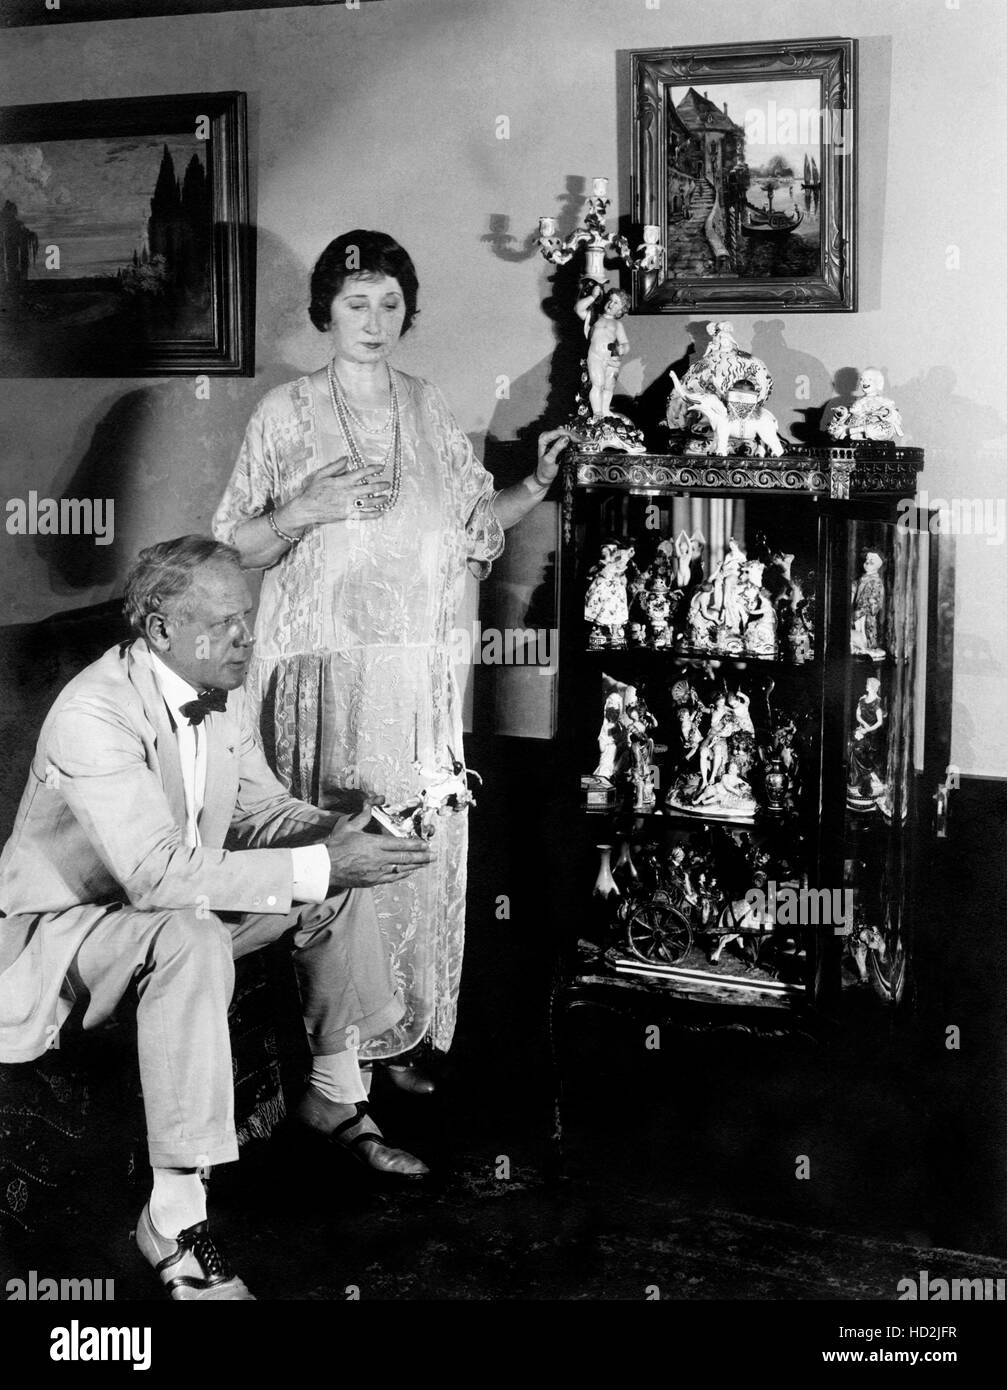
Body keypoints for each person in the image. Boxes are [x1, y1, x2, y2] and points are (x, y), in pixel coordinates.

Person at [0, 537, 437, 1300]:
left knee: (324, 875)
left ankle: (333, 1094)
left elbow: (261, 811)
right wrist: (324, 861)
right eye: (227, 623)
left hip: (155, 916)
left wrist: (336, 836)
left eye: (250, 619)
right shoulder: (94, 712)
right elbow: (157, 875)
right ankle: (173, 1218)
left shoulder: (217, 687)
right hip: (61, 940)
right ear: (160, 628)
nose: (247, 638)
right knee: (198, 930)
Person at [213, 230, 569, 1091]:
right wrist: (302, 508)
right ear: (324, 313)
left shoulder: (427, 405)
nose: (372, 321)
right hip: (313, 672)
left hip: (411, 678)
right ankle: (330, 1068)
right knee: (331, 850)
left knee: (408, 844)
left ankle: (395, 1035)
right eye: (354, 304)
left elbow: (471, 523)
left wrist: (534, 487)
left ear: (407, 313)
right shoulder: (285, 413)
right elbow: (233, 546)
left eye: (388, 304)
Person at [574, 281, 631, 418]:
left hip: (611, 359)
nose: (611, 304)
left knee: (609, 386)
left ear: (621, 310)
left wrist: (621, 349)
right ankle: (597, 413)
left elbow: (625, 343)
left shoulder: (617, 325)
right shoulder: (595, 318)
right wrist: (593, 297)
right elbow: (579, 309)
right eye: (610, 300)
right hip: (596, 357)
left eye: (616, 303)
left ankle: (605, 410)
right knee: (597, 384)